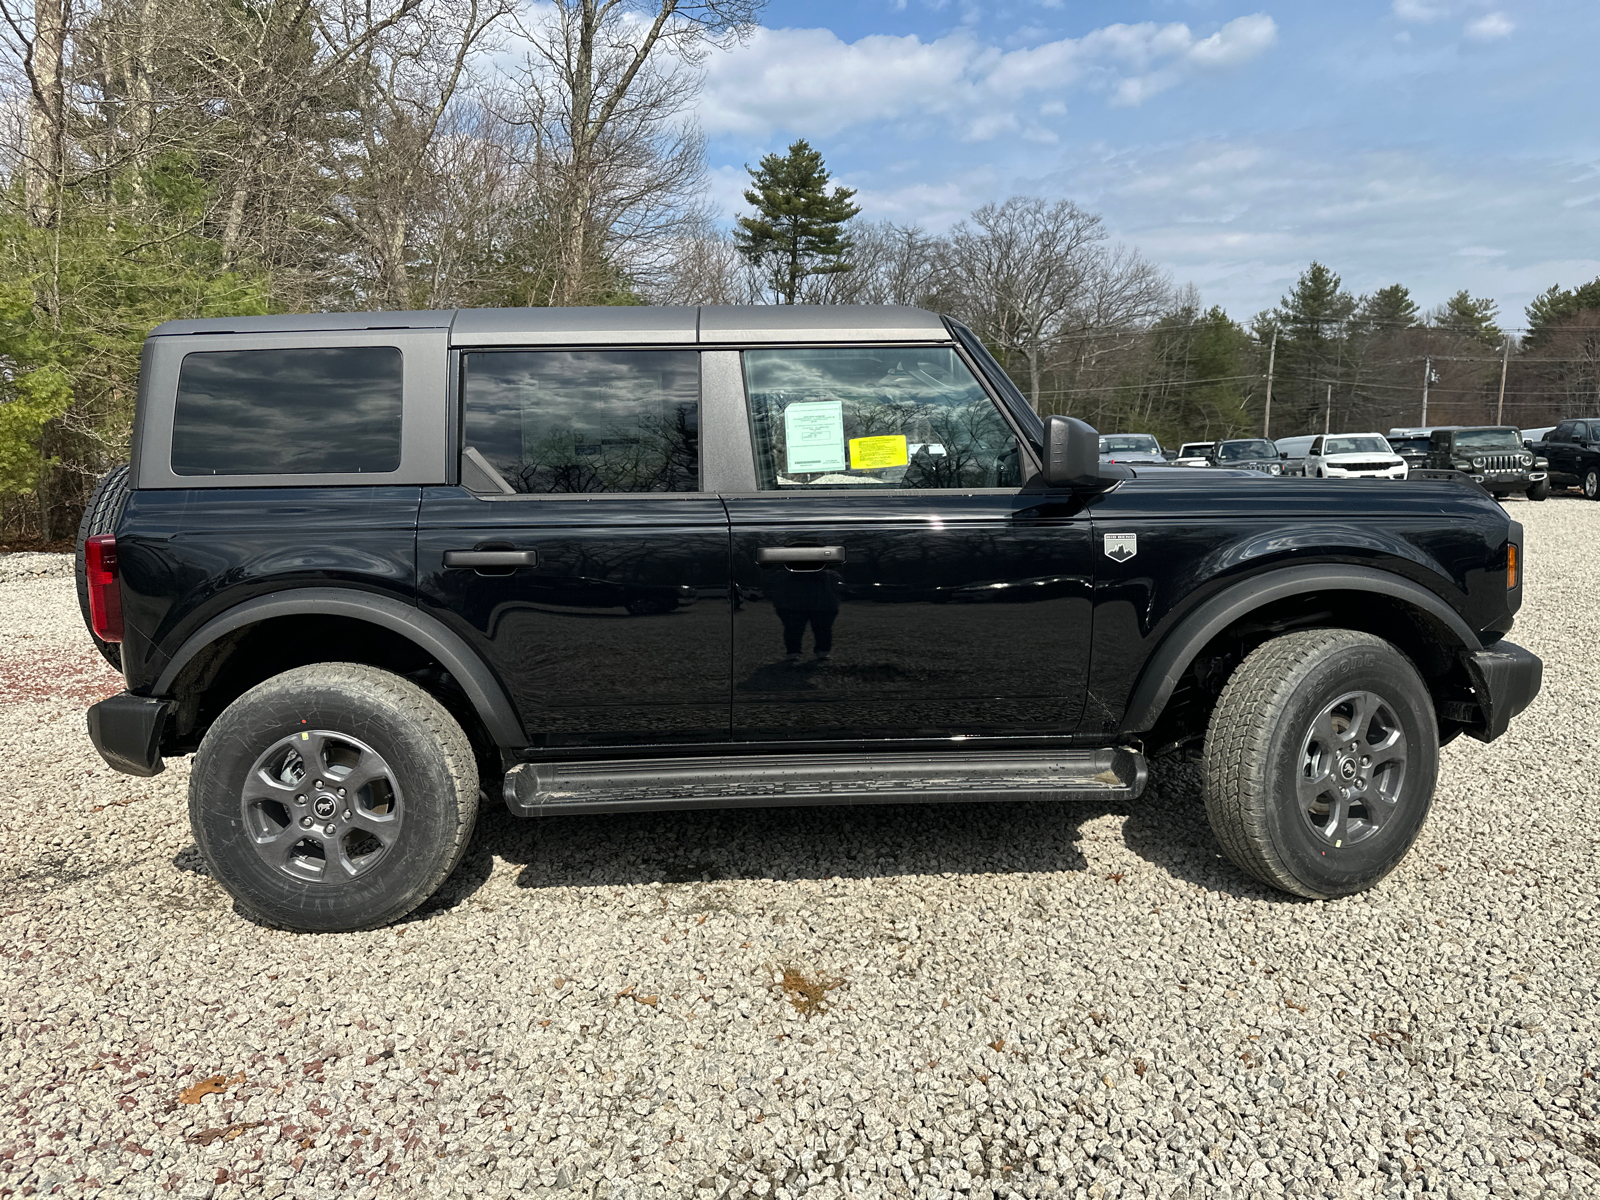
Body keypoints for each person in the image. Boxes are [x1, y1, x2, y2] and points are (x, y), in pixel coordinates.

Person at [762, 565, 843, 662]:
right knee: (800, 629)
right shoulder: (824, 571)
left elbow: (773, 579)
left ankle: (800, 652)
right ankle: (814, 651)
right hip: (810, 603)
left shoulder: (823, 571)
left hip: (805, 604)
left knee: (809, 629)